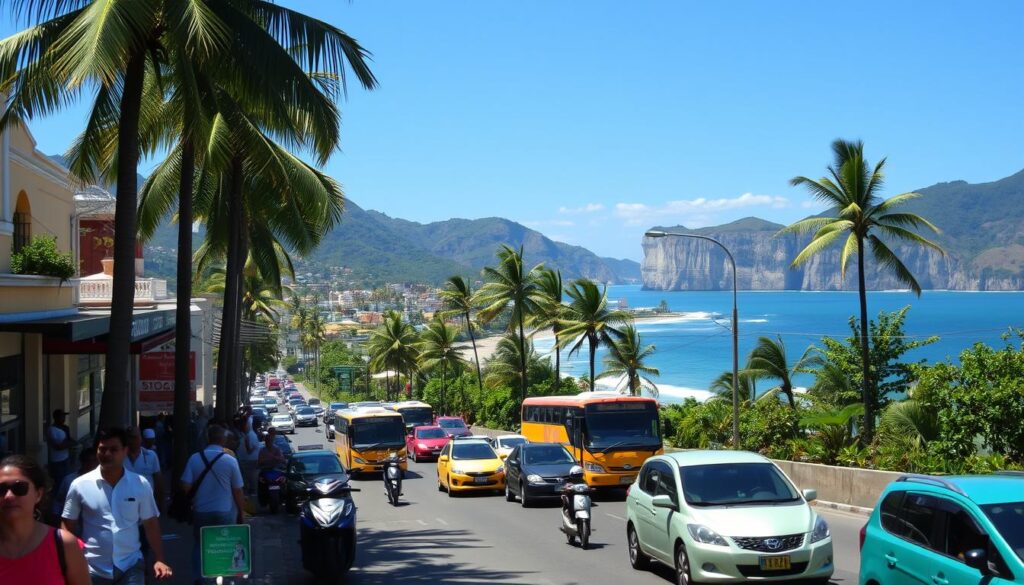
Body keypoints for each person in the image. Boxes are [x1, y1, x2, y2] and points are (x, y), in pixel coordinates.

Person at [62, 428, 172, 584]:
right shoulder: (79, 485)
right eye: (102, 449)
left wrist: (159, 558)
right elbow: (67, 525)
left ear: (125, 451)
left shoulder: (140, 484)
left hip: (131, 565)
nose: (107, 454)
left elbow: (151, 524)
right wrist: (69, 559)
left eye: (113, 449)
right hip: (92, 567)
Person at [0, 454, 91, 585]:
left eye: (19, 488)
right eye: (1, 489)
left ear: (38, 494)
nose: (9, 496)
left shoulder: (64, 545)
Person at [180, 424, 245, 585]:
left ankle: (199, 578)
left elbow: (185, 485)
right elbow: (238, 490)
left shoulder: (194, 458)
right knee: (225, 545)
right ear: (223, 440)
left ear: (207, 439)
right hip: (224, 511)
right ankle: (223, 577)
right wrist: (241, 512)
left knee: (200, 544)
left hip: (201, 511)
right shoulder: (230, 460)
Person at [52, 449, 98, 521]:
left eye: (94, 461)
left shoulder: (102, 481)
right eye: (87, 461)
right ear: (82, 462)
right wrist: (56, 518)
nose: (91, 464)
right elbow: (59, 502)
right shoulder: (69, 480)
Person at [46, 410, 76, 486]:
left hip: (66, 458)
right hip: (56, 460)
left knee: (66, 480)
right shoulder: (52, 430)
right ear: (56, 417)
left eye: (64, 416)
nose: (64, 418)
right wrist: (68, 443)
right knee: (58, 482)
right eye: (61, 416)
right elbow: (58, 447)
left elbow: (71, 441)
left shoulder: (65, 428)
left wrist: (67, 443)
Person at [235, 416, 260, 497]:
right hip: (247, 461)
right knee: (249, 479)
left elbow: (248, 450)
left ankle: (250, 494)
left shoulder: (249, 435)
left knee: (249, 479)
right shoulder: (248, 435)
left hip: (248, 461)